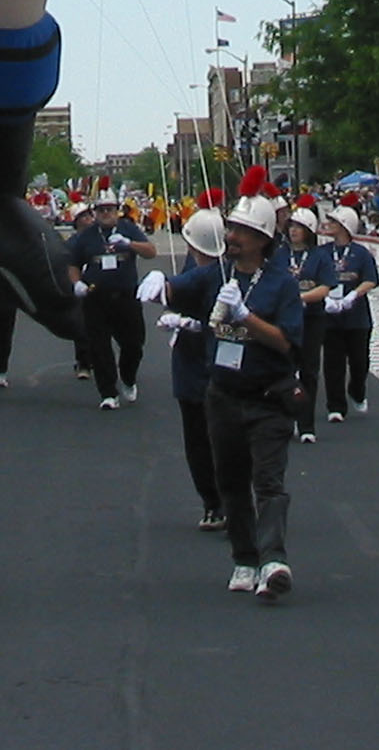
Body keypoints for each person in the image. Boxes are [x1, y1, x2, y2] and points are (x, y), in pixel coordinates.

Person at [199, 167, 302, 603]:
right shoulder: (217, 274)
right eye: (231, 228)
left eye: (241, 230)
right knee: (231, 479)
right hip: (223, 395)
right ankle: (244, 556)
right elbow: (184, 290)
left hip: (268, 397)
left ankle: (273, 558)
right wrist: (162, 289)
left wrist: (246, 317)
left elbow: (285, 342)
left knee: (270, 481)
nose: (232, 236)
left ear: (262, 239)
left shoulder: (282, 285)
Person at [149, 205, 231, 533]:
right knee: (198, 438)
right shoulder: (193, 266)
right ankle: (213, 501)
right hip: (189, 361)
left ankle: (224, 500)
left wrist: (190, 321)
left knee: (218, 438)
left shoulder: (227, 273)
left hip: (219, 361)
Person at [68, 183, 148, 408]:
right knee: (99, 347)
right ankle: (108, 393)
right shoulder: (87, 236)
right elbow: (73, 264)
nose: (106, 214)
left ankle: (128, 378)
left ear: (117, 211)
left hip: (126, 296)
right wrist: (76, 283)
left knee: (134, 345)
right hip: (96, 298)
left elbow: (150, 252)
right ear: (95, 212)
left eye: (110, 210)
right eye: (101, 210)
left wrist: (129, 244)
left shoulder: (128, 228)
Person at [315, 205, 379, 422]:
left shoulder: (361, 254)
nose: (329, 225)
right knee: (333, 362)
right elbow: (315, 277)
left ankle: (357, 390)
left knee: (359, 361)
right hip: (330, 317)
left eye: (334, 222)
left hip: (357, 317)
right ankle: (335, 405)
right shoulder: (323, 252)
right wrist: (325, 298)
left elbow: (370, 279)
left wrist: (353, 296)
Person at [285, 206, 329, 441]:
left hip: (311, 319)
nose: (293, 231)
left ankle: (307, 425)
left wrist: (300, 298)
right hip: (285, 320)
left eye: (299, 228)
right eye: (291, 226)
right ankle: (287, 416)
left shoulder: (319, 256)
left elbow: (325, 286)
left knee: (309, 372)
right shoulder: (281, 254)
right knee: (285, 369)